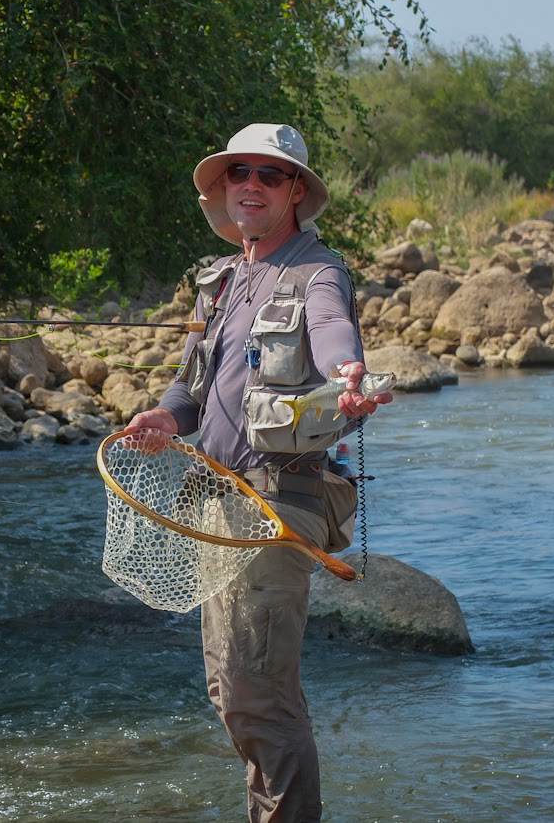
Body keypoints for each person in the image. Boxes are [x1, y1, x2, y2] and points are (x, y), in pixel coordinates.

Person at [124, 122, 391, 821]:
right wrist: (161, 418)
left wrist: (347, 375)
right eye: (238, 171)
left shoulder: (317, 270)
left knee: (258, 695)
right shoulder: (219, 283)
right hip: (217, 507)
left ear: (296, 190)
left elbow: (334, 330)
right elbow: (188, 392)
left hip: (279, 506)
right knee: (231, 690)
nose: (250, 184)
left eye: (269, 175)